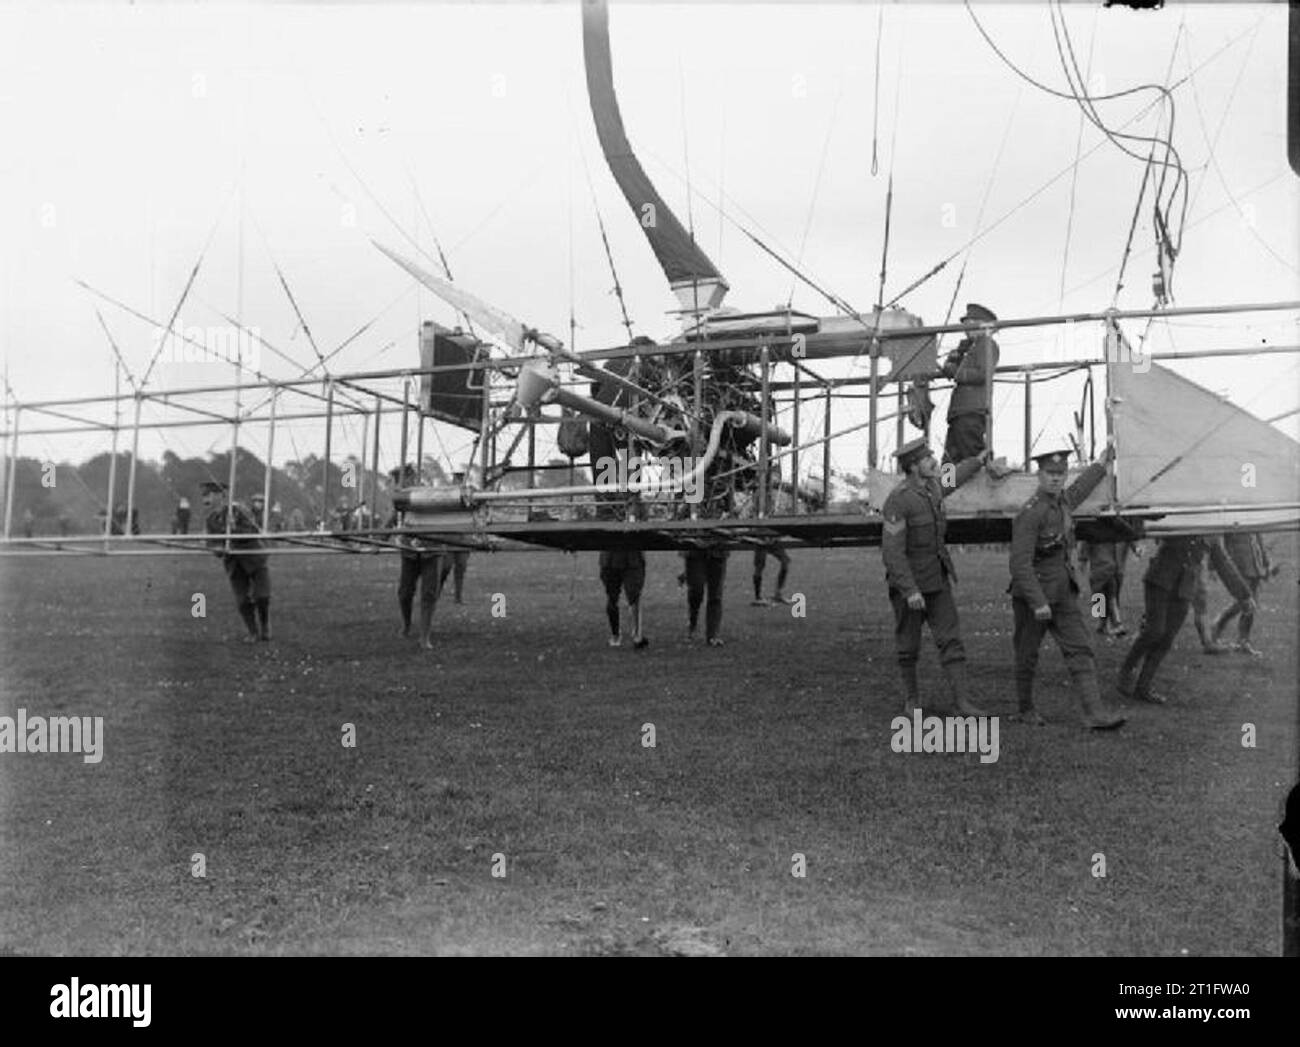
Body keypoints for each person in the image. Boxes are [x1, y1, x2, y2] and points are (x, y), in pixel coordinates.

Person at [1009, 443, 1126, 729]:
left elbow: (1081, 488)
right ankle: (1025, 709)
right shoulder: (1030, 513)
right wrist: (1038, 603)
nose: (1056, 478)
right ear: (1039, 475)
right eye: (1050, 473)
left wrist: (1101, 464)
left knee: (1080, 649)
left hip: (1063, 592)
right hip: (1033, 596)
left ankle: (1095, 714)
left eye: (1061, 474)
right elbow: (1019, 564)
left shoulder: (1063, 502)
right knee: (1027, 654)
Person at [881, 437, 990, 715]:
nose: (933, 461)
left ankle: (962, 703)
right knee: (908, 645)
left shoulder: (933, 488)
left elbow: (956, 477)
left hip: (937, 581)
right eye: (928, 458)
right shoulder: (898, 500)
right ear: (914, 466)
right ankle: (912, 701)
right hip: (911, 587)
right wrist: (909, 590)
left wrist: (978, 460)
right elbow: (893, 553)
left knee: (951, 640)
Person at [1118, 535, 1253, 705]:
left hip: (1184, 588)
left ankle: (1143, 687)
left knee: (1167, 638)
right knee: (1154, 630)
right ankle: (1125, 671)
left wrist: (1244, 595)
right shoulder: (1179, 520)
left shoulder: (1210, 534)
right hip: (1160, 579)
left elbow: (1223, 564)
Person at [201, 481, 272, 643]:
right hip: (234, 563)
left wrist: (233, 530)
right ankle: (253, 632)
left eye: (210, 494)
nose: (207, 498)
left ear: (221, 495)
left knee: (262, 596)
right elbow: (210, 543)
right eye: (205, 495)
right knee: (242, 601)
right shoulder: (211, 519)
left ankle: (265, 626)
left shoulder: (239, 510)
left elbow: (253, 531)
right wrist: (217, 549)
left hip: (253, 557)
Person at [940, 303, 1000, 465]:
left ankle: (983, 487)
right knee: (949, 459)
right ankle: (947, 488)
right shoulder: (970, 348)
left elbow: (983, 374)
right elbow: (948, 370)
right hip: (960, 413)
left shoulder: (987, 344)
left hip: (972, 411)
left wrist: (957, 372)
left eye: (971, 325)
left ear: (982, 325)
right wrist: (956, 355)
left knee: (973, 455)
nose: (966, 330)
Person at [1212, 530, 1274, 656]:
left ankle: (1243, 641)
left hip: (1254, 562)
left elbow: (1258, 536)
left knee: (1252, 603)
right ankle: (1218, 624)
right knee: (1244, 601)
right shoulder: (1232, 514)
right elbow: (1220, 541)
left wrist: (1265, 560)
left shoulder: (1253, 516)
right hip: (1239, 561)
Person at [599, 546, 649, 648]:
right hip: (611, 559)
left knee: (634, 596)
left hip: (632, 558)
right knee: (612, 598)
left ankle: (636, 635)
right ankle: (615, 635)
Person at [1084, 539, 1133, 638]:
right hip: (1098, 570)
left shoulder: (1112, 531)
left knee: (1111, 596)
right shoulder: (1092, 532)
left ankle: (1116, 623)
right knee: (1100, 597)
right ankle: (1103, 624)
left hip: (1109, 569)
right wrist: (1082, 558)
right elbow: (1084, 544)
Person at [683, 546, 729, 646]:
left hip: (718, 550)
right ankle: (692, 623)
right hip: (695, 550)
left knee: (715, 594)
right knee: (696, 590)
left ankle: (713, 635)